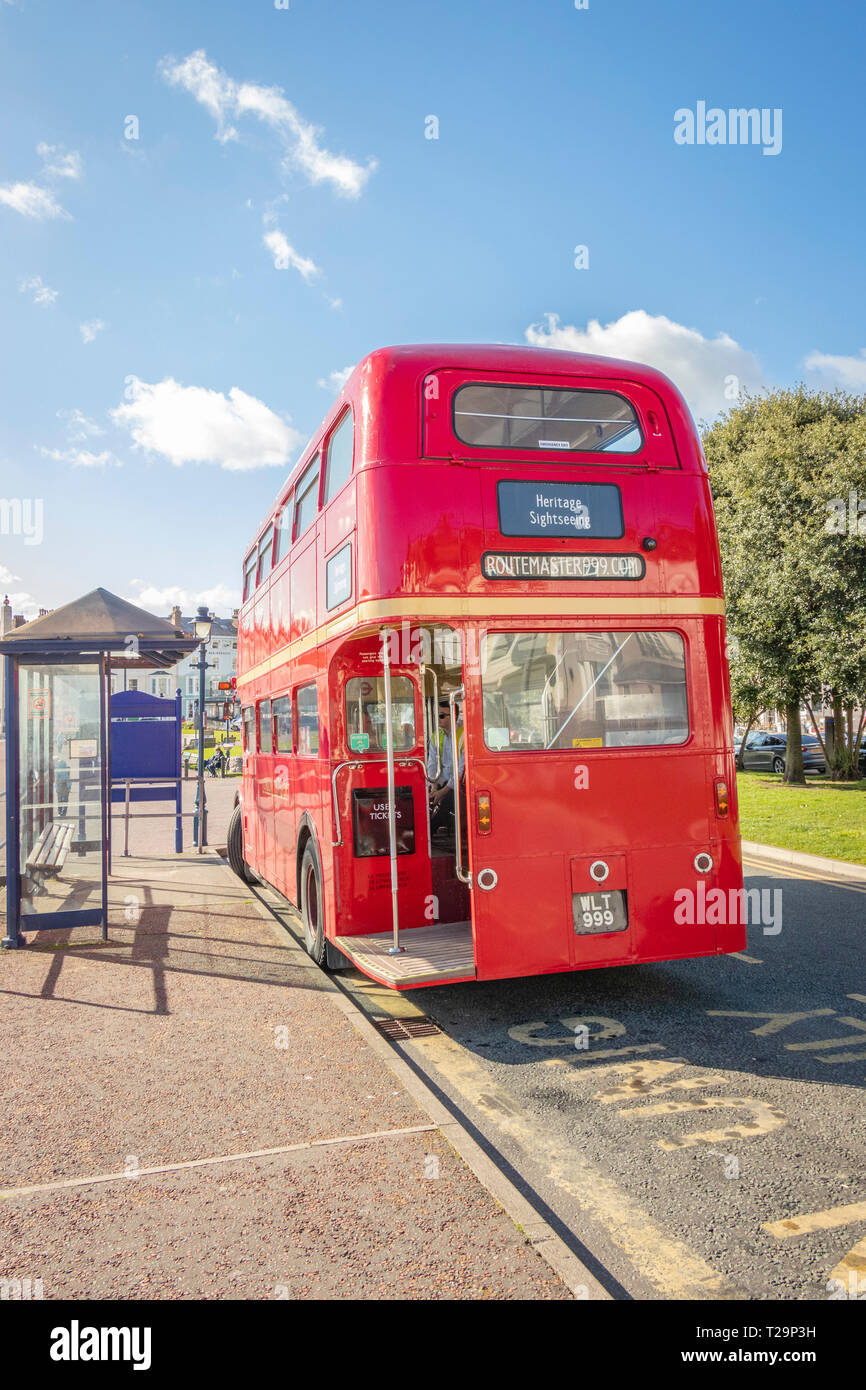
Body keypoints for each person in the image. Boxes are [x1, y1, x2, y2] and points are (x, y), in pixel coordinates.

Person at [427, 698, 465, 835]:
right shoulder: (436, 737)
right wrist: (433, 787)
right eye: (437, 715)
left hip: (458, 785)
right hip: (441, 783)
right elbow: (432, 764)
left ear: (453, 716)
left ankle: (430, 831)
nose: (438, 719)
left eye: (442, 715)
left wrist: (442, 792)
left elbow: (461, 769)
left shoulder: (464, 736)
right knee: (425, 798)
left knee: (449, 799)